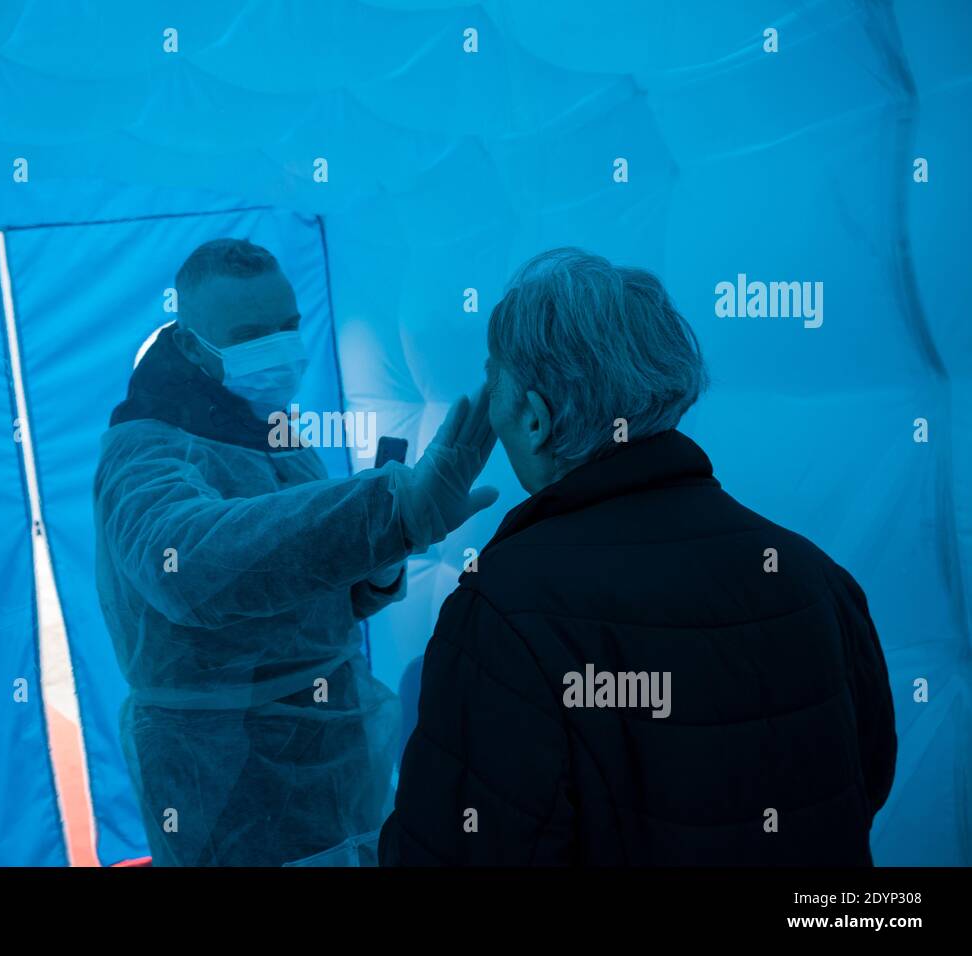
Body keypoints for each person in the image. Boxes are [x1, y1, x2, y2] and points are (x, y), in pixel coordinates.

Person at [380, 248, 897, 866]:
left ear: (536, 419)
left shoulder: (503, 608)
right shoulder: (813, 574)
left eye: (495, 384)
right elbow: (866, 781)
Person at [93, 238, 498, 866]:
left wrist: (380, 562)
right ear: (193, 343)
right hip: (224, 770)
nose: (281, 349)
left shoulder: (272, 428)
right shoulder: (146, 448)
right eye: (253, 334)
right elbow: (188, 568)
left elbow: (305, 584)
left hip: (334, 746)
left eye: (289, 326)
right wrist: (386, 512)